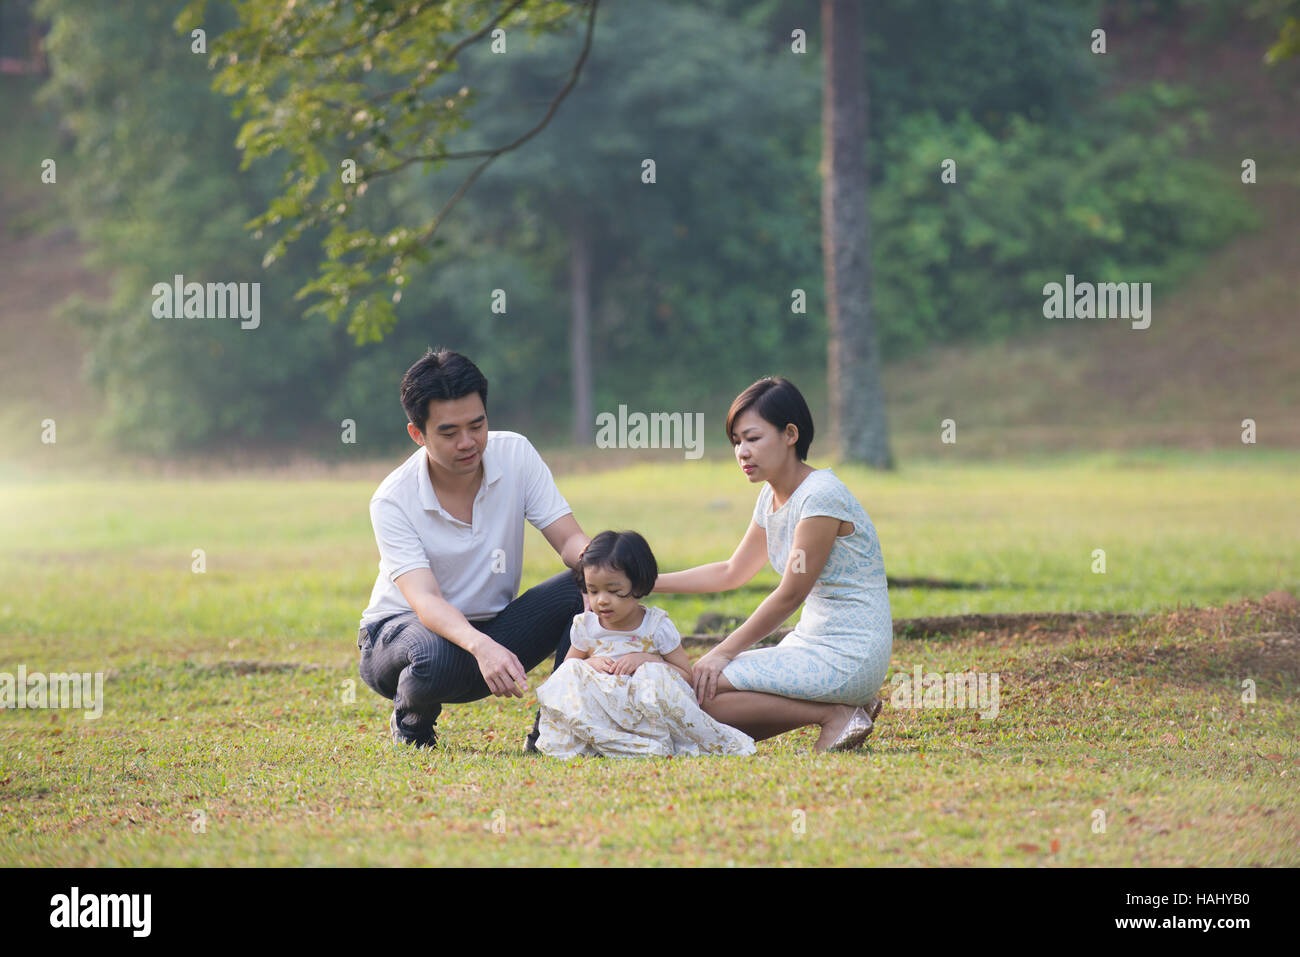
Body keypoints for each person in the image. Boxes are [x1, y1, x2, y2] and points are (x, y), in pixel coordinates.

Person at [356, 348, 592, 749]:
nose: (468, 443)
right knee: (432, 655)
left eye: (477, 425)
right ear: (418, 434)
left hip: (493, 629)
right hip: (401, 635)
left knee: (584, 588)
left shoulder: (515, 454)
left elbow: (569, 540)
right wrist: (481, 646)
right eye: (448, 433)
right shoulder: (393, 499)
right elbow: (426, 601)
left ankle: (552, 732)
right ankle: (411, 723)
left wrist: (608, 570)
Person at [654, 376, 892, 752]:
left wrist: (722, 652)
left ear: (790, 434)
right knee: (701, 709)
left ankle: (835, 714)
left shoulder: (820, 496)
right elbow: (733, 571)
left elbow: (789, 595)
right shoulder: (771, 496)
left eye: (753, 438)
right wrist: (646, 583)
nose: (742, 453)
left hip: (850, 652)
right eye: (736, 442)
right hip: (810, 644)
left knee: (701, 690)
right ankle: (842, 710)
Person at [535, 530, 756, 758]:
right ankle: (598, 740)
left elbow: (685, 677)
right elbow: (566, 671)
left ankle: (642, 742)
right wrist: (590, 663)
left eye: (614, 591)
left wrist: (648, 660)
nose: (601, 600)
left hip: (645, 713)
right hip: (601, 709)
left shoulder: (655, 626)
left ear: (639, 587)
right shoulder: (586, 626)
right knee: (570, 671)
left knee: (654, 674)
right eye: (593, 591)